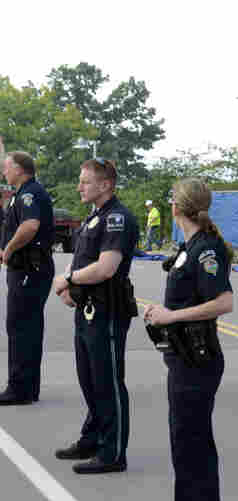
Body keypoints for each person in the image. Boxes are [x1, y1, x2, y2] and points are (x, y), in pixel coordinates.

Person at [142, 178, 233, 501]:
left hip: (198, 360)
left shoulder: (207, 249)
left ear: (177, 208)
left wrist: (172, 315)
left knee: (194, 448)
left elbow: (224, 301)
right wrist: (160, 315)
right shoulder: (189, 247)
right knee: (182, 445)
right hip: (181, 357)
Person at [52, 159, 139, 474]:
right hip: (87, 307)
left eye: (85, 182)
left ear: (105, 185)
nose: (79, 187)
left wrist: (70, 280)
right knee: (89, 379)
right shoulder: (95, 216)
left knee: (108, 382)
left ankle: (113, 453)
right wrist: (68, 285)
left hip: (107, 311)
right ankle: (92, 438)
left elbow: (106, 268)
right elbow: (79, 259)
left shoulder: (117, 218)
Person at [0, 140, 55, 405]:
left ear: (21, 169)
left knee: (20, 326)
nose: (4, 171)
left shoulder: (29, 194)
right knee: (28, 327)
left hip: (28, 269)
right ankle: (27, 387)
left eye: (7, 167)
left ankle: (18, 388)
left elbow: (30, 226)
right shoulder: (21, 193)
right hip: (29, 269)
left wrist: (8, 250)